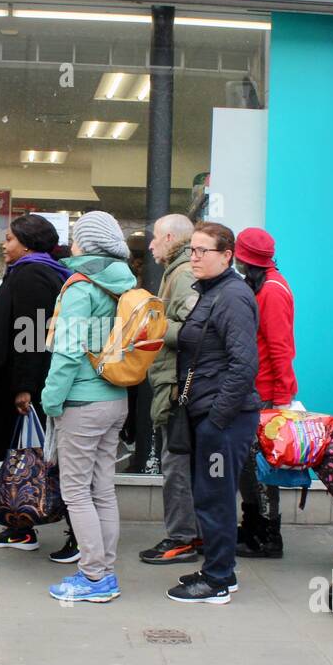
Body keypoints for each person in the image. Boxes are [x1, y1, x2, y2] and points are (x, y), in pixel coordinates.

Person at [42, 211, 136, 603]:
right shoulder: (123, 284)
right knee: (102, 489)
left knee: (76, 492)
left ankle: (94, 577)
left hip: (82, 401)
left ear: (88, 244)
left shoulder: (80, 286)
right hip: (115, 397)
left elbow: (66, 351)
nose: (72, 243)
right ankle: (104, 571)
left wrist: (51, 399)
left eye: (77, 237)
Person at [165, 223, 260, 603]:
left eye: (204, 251)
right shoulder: (212, 292)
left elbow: (244, 365)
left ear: (227, 255)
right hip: (209, 413)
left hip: (223, 419)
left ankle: (218, 579)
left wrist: (216, 420)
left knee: (215, 496)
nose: (195, 257)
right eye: (192, 251)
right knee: (207, 493)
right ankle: (219, 570)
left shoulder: (232, 297)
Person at [0, 214, 73, 557]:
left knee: (44, 460)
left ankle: (71, 535)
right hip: (17, 378)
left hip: (24, 383)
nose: (4, 244)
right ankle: (19, 527)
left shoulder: (32, 273)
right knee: (28, 456)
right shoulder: (34, 270)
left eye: (9, 239)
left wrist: (25, 387)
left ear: (28, 242)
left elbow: (32, 334)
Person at [138, 214, 204, 567]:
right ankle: (191, 534)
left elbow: (195, 331)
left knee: (176, 465)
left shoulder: (182, 275)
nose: (150, 246)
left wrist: (154, 325)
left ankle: (182, 538)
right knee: (181, 464)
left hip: (178, 387)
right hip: (177, 384)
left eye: (153, 239)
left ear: (167, 237)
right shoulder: (178, 272)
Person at [232, 227, 297, 560]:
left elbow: (280, 346)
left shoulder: (271, 291)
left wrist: (283, 397)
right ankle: (255, 525)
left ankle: (269, 535)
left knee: (259, 468)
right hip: (260, 390)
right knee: (249, 466)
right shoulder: (265, 284)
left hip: (266, 394)